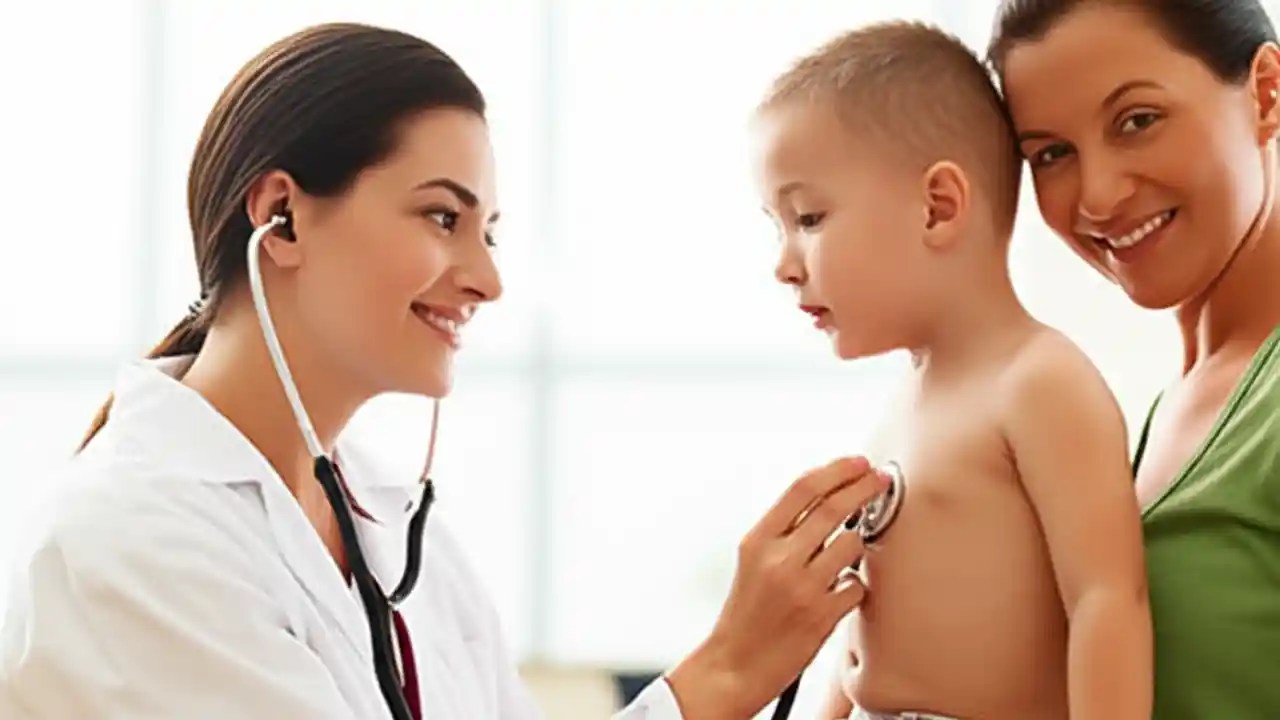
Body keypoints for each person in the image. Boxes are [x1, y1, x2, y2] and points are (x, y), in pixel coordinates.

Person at [0, 23, 890, 720]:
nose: (488, 278)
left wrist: (739, 669)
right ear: (282, 217)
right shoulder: (128, 542)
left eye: (488, 230)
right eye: (441, 218)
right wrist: (725, 666)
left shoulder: (381, 515)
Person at [752, 20, 1151, 720]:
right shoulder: (906, 403)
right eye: (778, 227)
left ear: (938, 207)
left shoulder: (1040, 382)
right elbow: (861, 631)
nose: (784, 264)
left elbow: (1106, 602)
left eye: (809, 217)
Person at [988, 1, 1280, 717]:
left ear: (1266, 92)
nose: (1097, 196)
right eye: (1051, 154)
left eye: (1137, 120)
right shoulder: (1161, 412)